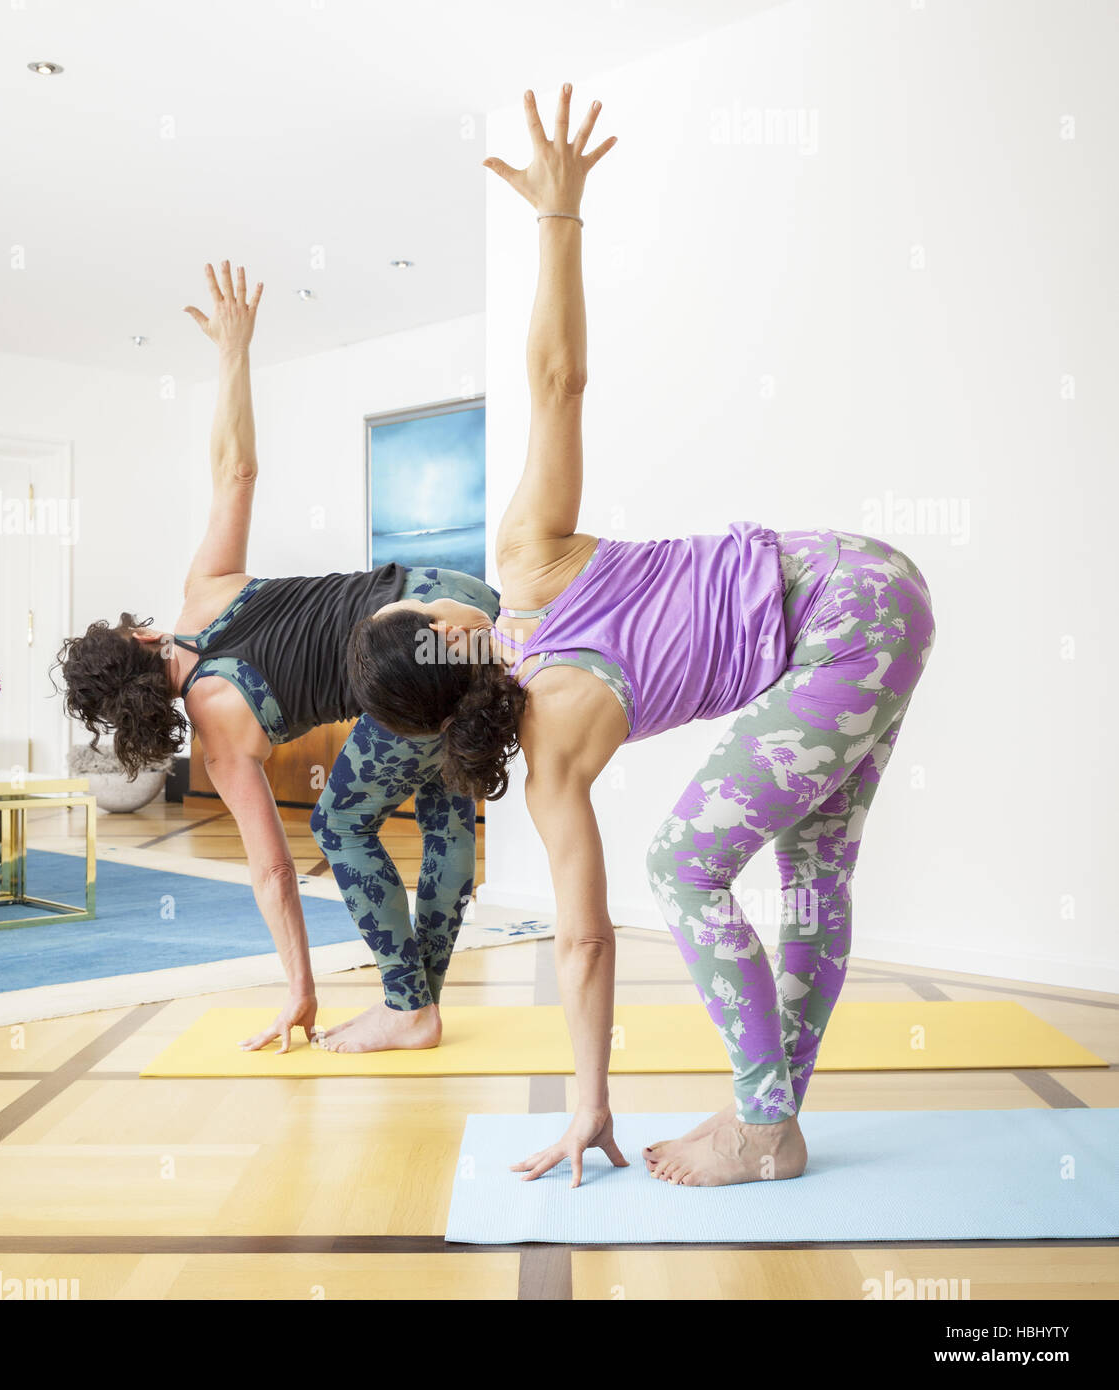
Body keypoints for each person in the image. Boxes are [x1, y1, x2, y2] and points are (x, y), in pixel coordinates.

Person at [346, 88, 936, 1186]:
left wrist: (587, 1106)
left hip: (845, 614)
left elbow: (580, 946)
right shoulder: (523, 563)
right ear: (439, 634)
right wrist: (557, 218)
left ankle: (764, 1124)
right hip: (862, 599)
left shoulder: (548, 758)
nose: (437, 592)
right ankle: (771, 1122)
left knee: (685, 863)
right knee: (805, 872)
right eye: (421, 603)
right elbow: (558, 380)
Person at [55, 262, 498, 1054]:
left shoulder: (220, 741)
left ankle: (410, 1006)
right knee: (441, 795)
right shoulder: (203, 591)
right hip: (458, 604)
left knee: (337, 821)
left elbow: (272, 874)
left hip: (417, 655)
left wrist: (299, 990)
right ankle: (416, 1004)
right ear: (145, 638)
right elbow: (237, 470)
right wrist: (233, 350)